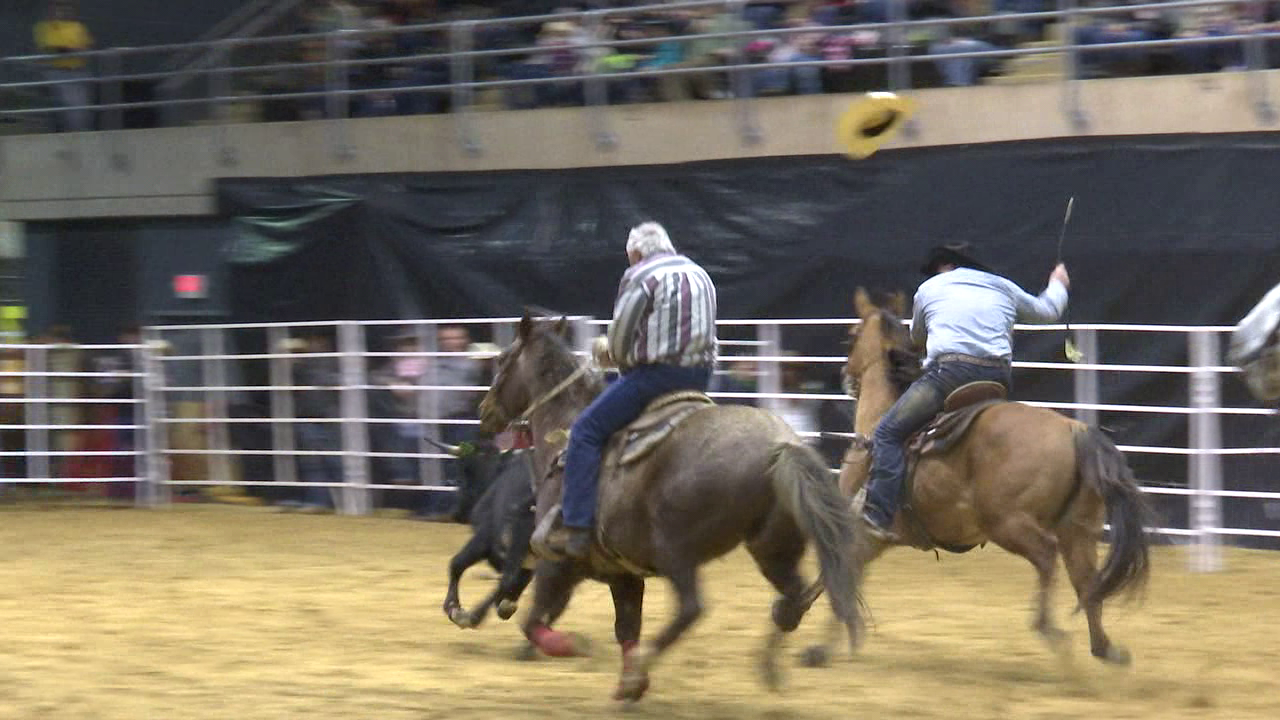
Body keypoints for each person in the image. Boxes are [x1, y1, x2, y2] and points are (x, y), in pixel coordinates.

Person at [860, 242, 1070, 541]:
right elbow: (1048, 312)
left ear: (946, 266)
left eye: (936, 269)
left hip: (948, 376)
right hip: (996, 379)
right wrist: (1057, 284)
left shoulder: (930, 290)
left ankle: (878, 516)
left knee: (886, 434)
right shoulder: (1003, 287)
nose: (934, 274)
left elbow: (918, 337)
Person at [549, 221, 719, 560]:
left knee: (585, 430)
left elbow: (622, 338)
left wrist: (607, 353)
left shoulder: (641, 275)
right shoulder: (701, 273)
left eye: (631, 258)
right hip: (701, 378)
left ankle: (577, 525)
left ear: (636, 253)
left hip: (656, 377)